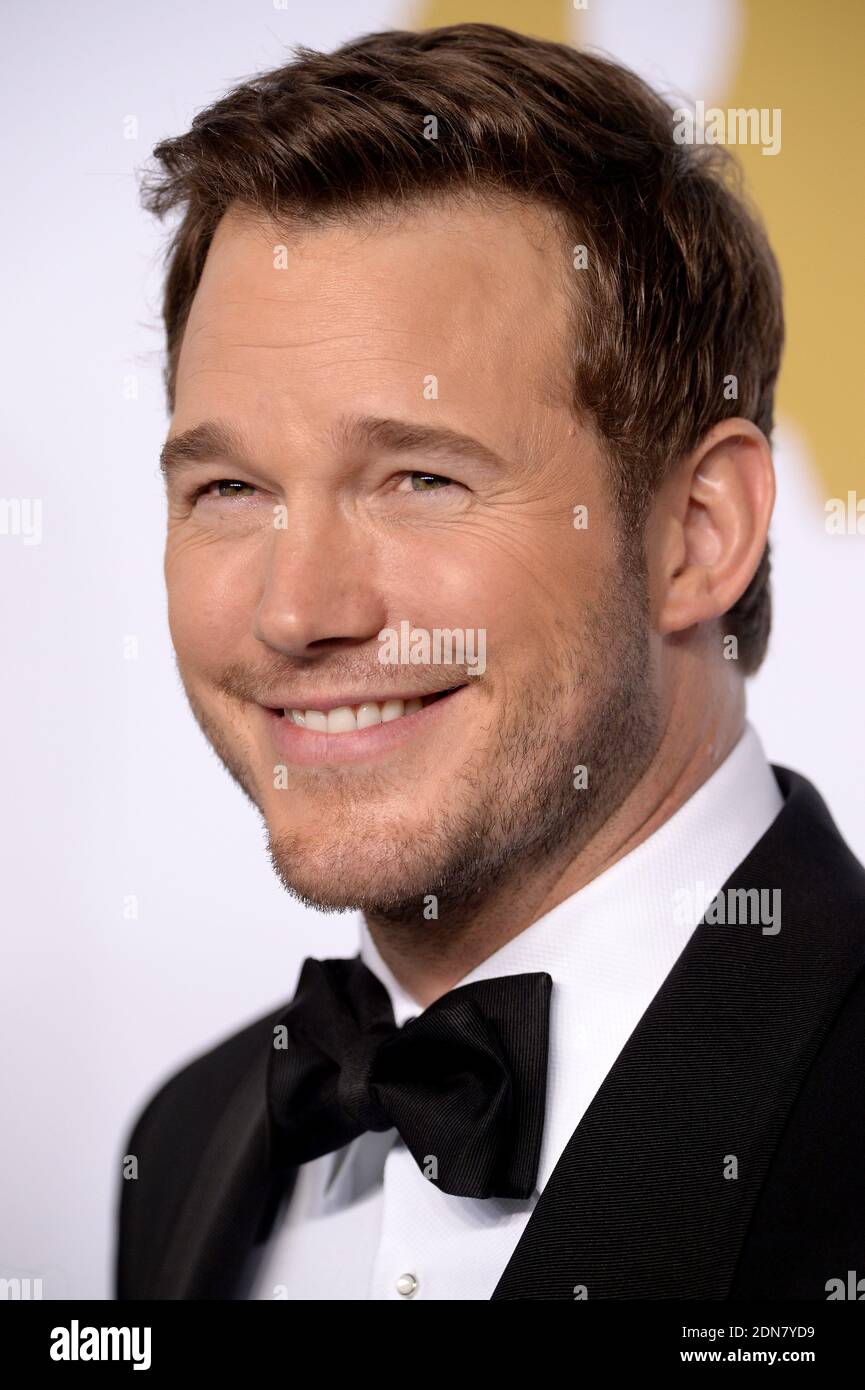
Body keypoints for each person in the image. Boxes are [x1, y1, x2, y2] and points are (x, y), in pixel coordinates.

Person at [115, 23, 865, 1300]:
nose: (298, 612)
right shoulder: (186, 1136)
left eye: (420, 478)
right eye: (232, 487)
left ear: (700, 532)